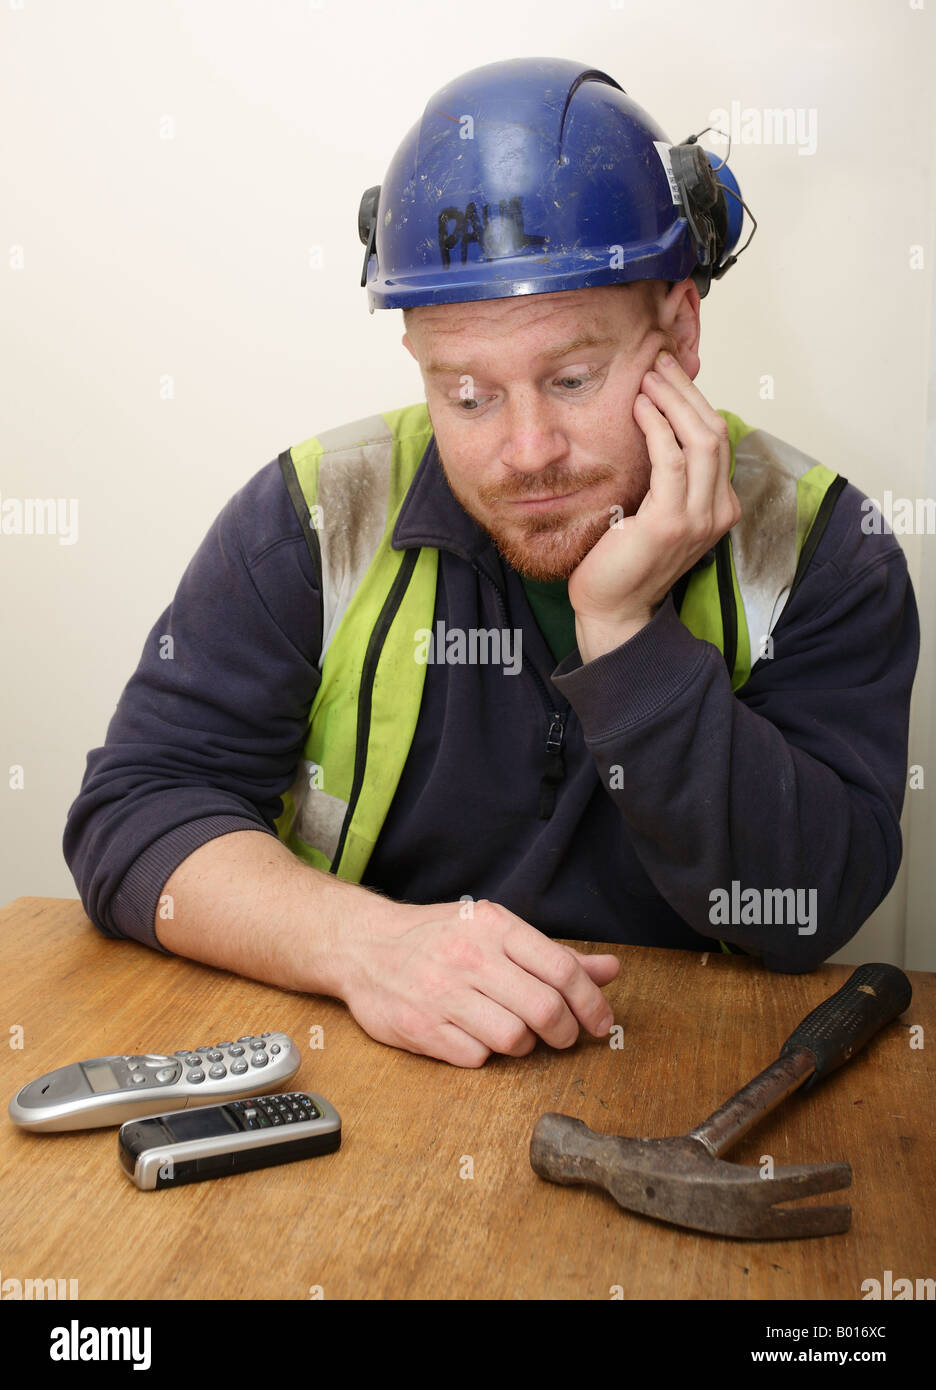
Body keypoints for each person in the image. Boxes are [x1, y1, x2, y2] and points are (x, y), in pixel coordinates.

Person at [63, 57, 919, 1068]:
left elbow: (812, 904)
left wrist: (623, 635)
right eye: (466, 393)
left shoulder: (817, 545)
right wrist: (366, 946)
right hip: (364, 1080)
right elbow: (134, 812)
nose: (527, 452)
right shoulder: (310, 517)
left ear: (680, 330)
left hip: (679, 1079)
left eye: (571, 376)